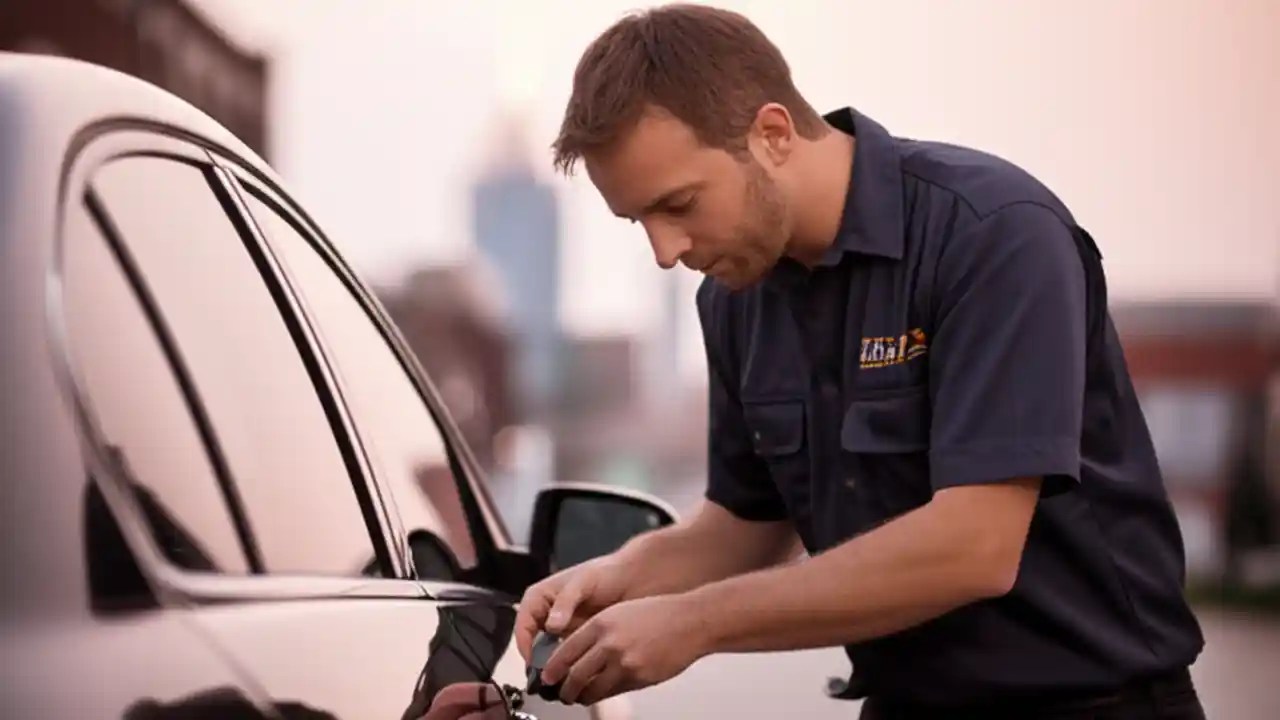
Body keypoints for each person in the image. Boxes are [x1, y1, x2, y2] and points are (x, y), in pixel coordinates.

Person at [515, 4, 1207, 718]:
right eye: (639, 223)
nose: (665, 252)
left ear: (773, 134)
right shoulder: (733, 299)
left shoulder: (993, 236)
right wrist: (619, 578)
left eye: (680, 205)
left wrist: (696, 622)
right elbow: (746, 526)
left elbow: (974, 546)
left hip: (1097, 706)